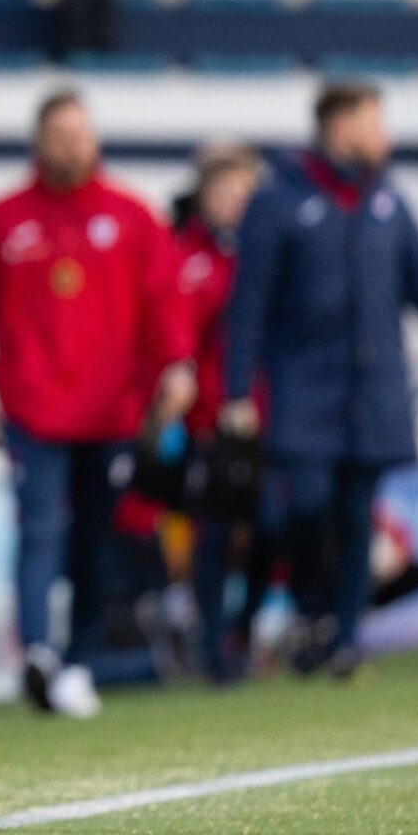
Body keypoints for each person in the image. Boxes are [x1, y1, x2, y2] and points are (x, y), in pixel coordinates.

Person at [221, 84, 418, 680]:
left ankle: (343, 640)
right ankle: (310, 611)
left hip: (373, 392)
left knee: (357, 514)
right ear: (343, 129)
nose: (385, 138)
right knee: (308, 508)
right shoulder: (278, 201)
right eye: (376, 124)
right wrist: (237, 391)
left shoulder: (387, 202)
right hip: (304, 390)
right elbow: (249, 305)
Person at [0, 90, 195, 718]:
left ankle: (80, 660)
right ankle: (37, 653)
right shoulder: (3, 220)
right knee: (37, 531)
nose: (71, 145)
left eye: (80, 134)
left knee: (94, 541)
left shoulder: (132, 216)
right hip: (33, 411)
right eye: (60, 134)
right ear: (39, 140)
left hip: (112, 412)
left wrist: (176, 369)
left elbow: (166, 304)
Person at [168, 141, 262, 683]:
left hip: (273, 411)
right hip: (213, 418)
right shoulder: (190, 257)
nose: (233, 202)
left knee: (268, 525)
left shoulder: (270, 251)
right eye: (223, 191)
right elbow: (182, 331)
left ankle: (244, 629)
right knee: (215, 530)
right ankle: (212, 642)